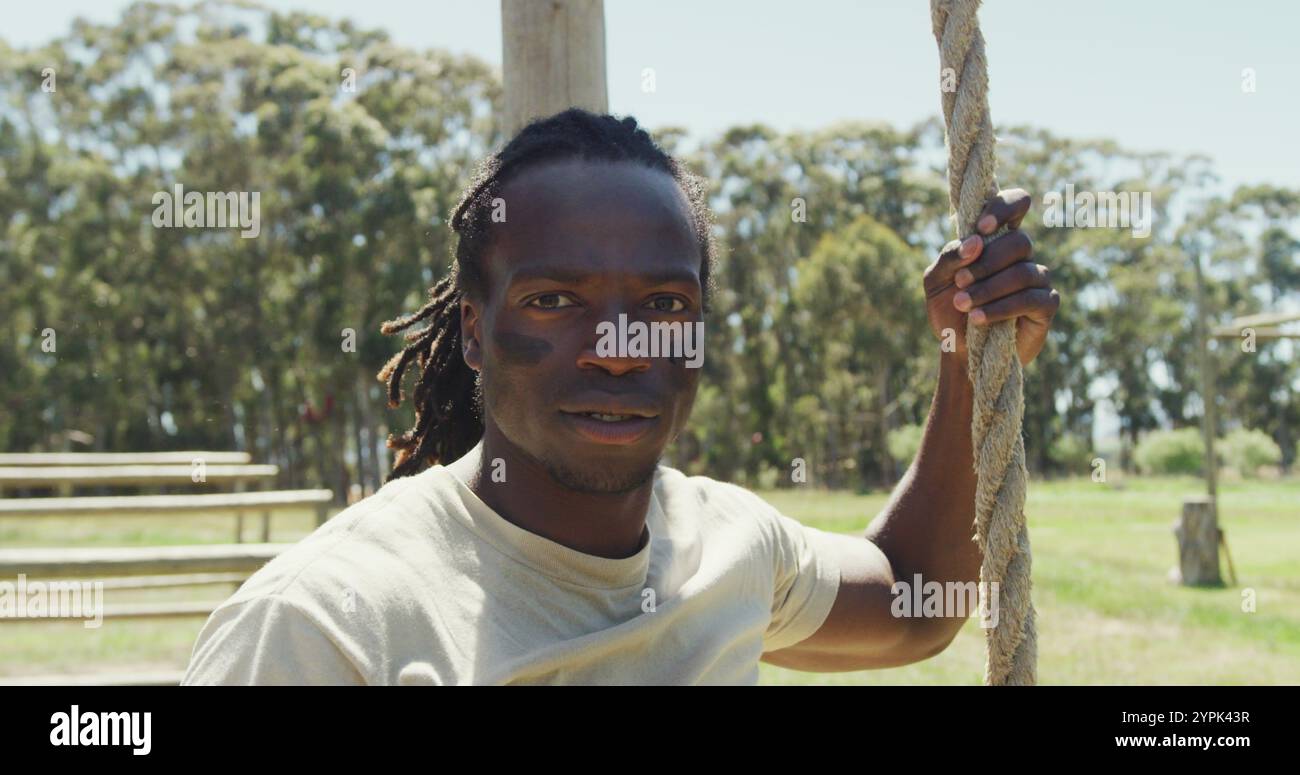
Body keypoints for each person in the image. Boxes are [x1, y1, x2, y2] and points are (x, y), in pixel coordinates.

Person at [182, 108, 1059, 685]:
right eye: (554, 301)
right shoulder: (320, 626)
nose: (617, 347)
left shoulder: (730, 547)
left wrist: (962, 356)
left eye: (663, 304)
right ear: (476, 334)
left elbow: (915, 597)